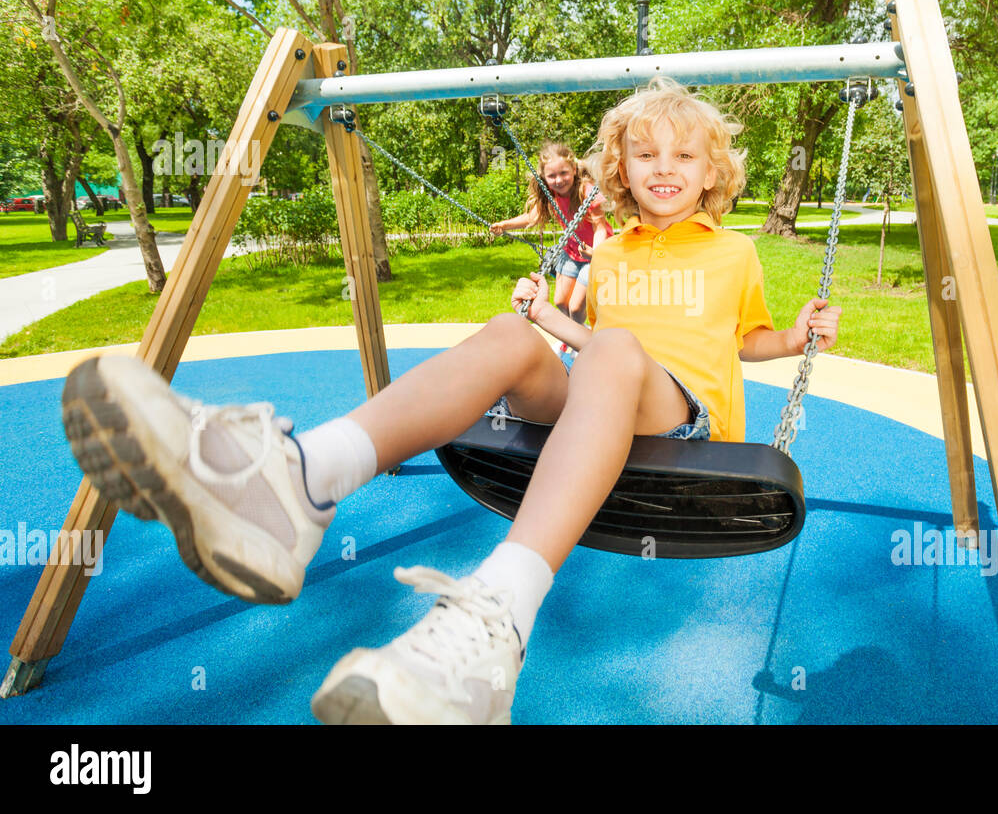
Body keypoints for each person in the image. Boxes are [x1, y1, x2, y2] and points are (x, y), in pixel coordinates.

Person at [59, 77, 842, 725]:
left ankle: (500, 615)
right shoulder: (609, 249)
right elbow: (595, 337)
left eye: (683, 154)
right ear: (621, 168)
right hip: (603, 392)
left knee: (611, 352)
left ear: (713, 172)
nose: (662, 166)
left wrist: (800, 333)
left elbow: (746, 341)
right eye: (644, 154)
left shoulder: (734, 251)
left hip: (687, 422)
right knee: (509, 335)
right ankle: (298, 481)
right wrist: (542, 318)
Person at [489, 142, 611, 323]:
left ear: (574, 170)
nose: (559, 180)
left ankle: (579, 342)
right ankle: (572, 337)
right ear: (544, 177)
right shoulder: (551, 194)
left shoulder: (586, 191)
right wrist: (504, 225)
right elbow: (533, 216)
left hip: (594, 253)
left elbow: (600, 227)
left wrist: (596, 253)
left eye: (563, 173)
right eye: (552, 176)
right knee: (561, 302)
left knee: (576, 307)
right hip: (571, 253)